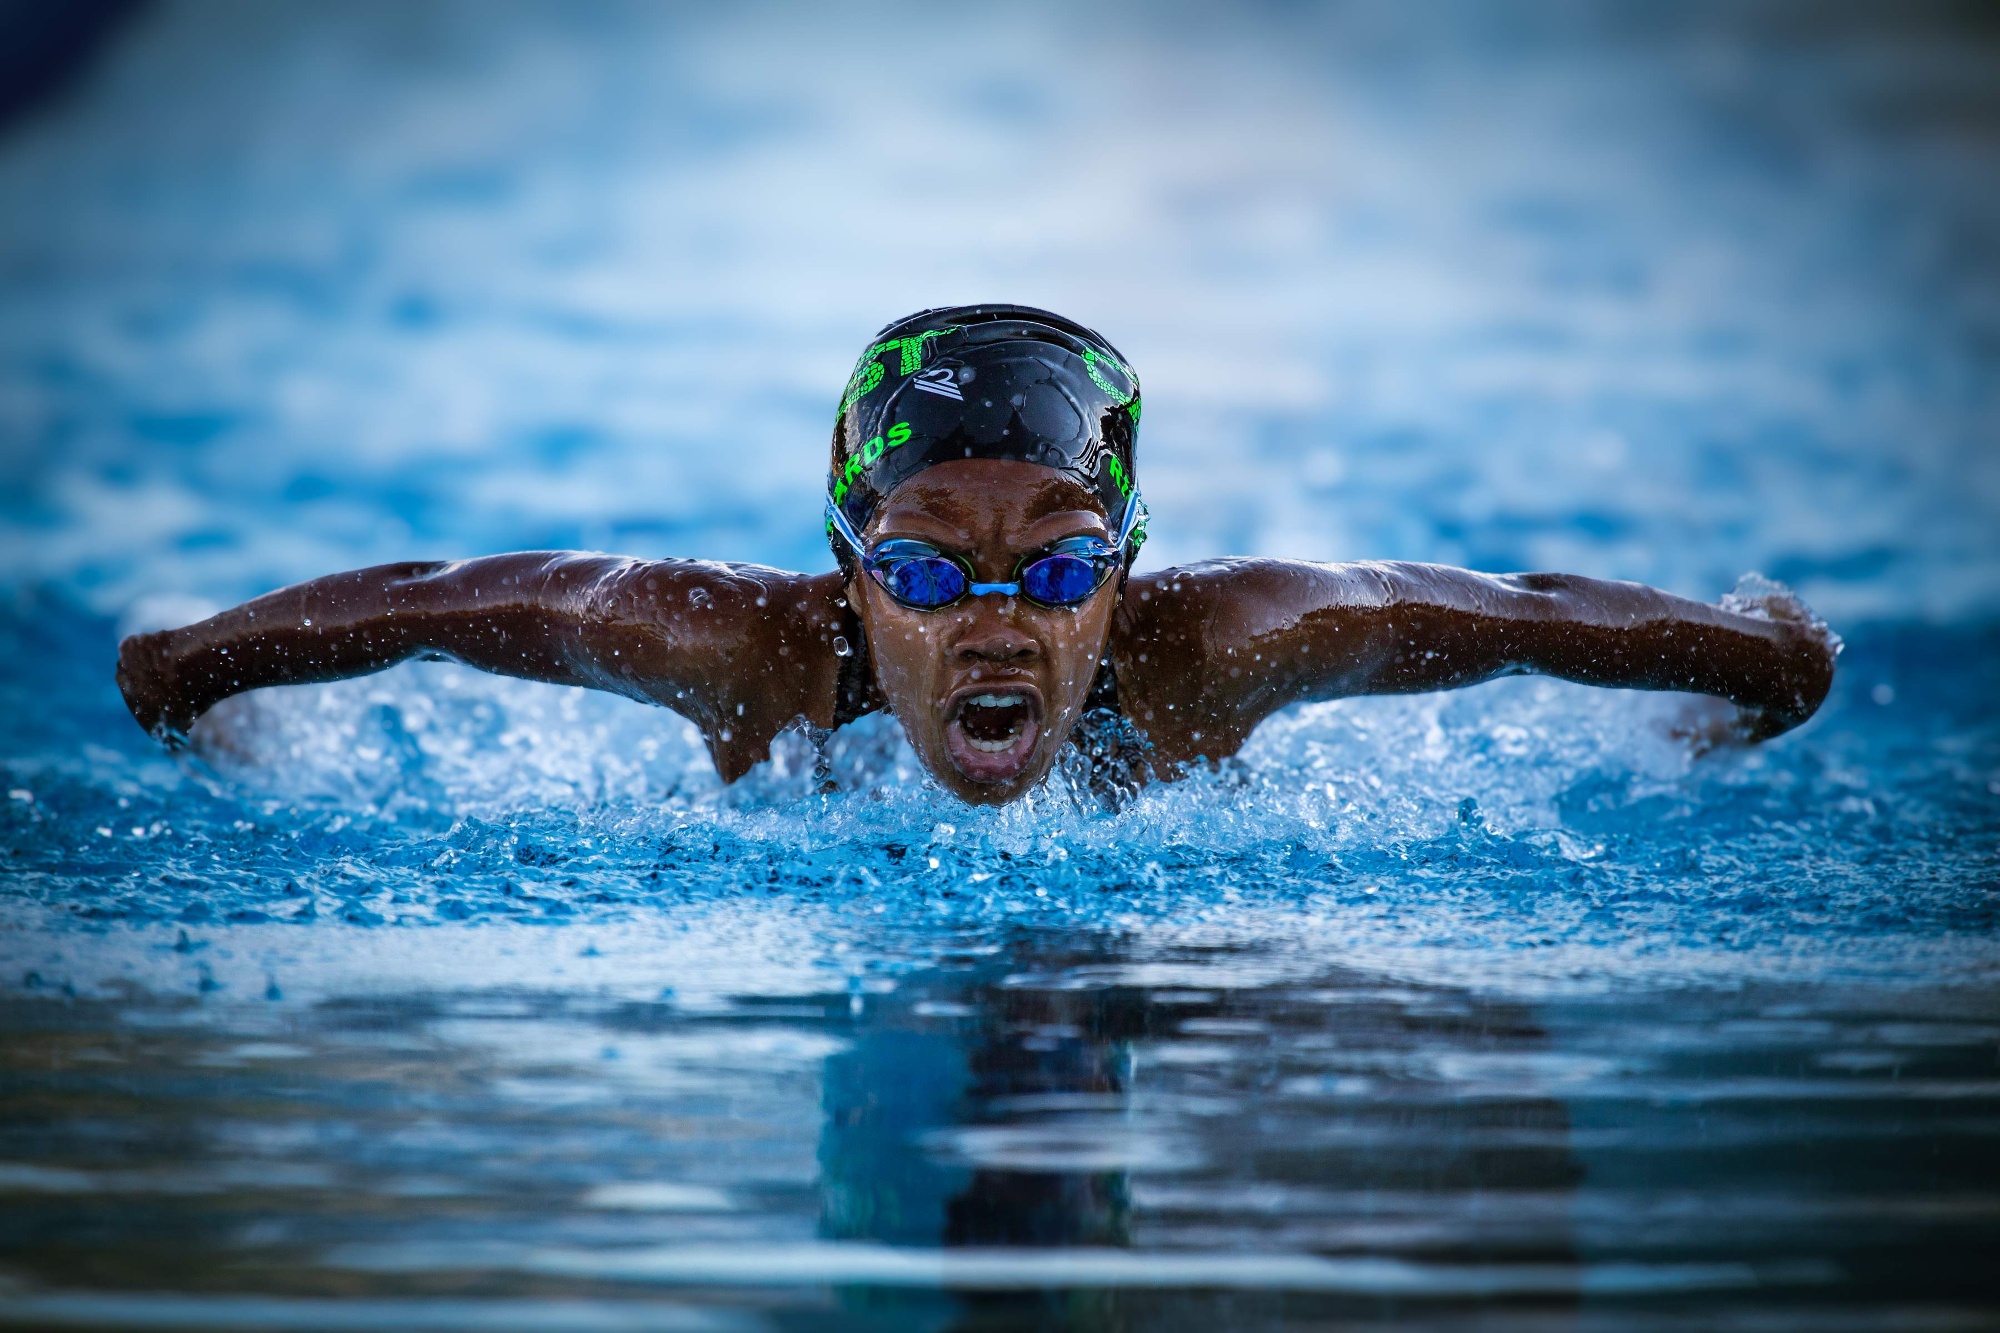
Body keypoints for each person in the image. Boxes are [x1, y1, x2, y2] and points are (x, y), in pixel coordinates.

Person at [116, 304, 1838, 807]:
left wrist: (1758, 659)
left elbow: (1515, 616)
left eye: (1062, 565)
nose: (998, 617)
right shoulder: (742, 652)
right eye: (930, 570)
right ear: (851, 567)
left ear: (1133, 564)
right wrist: (191, 663)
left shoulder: (1226, 644)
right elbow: (448, 604)